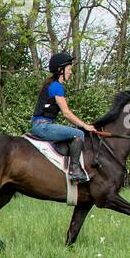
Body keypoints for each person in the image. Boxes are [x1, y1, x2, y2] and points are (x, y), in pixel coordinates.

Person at [31, 52, 104, 182]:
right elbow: (66, 113)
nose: (71, 72)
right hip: (43, 126)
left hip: (42, 124)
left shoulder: (52, 85)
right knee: (78, 134)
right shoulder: (56, 86)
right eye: (69, 69)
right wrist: (85, 126)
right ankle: (75, 171)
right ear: (60, 70)